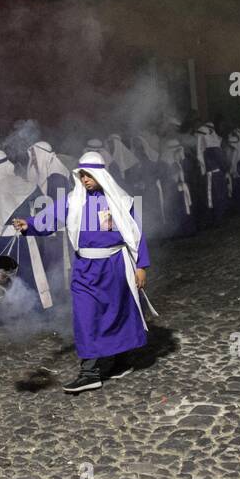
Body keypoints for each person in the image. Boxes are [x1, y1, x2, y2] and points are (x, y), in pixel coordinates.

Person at [15, 150, 152, 392]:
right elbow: (50, 218)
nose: (85, 179)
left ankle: (120, 362)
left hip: (115, 266)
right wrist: (30, 224)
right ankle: (89, 372)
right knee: (86, 316)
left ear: (101, 175)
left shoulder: (122, 201)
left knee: (116, 313)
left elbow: (137, 233)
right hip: (85, 268)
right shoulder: (73, 200)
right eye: (82, 175)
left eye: (89, 175)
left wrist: (141, 266)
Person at [0, 150, 52, 325]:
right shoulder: (20, 184)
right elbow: (40, 201)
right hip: (19, 236)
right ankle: (31, 311)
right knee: (25, 272)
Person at [26, 141, 73, 304]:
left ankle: (61, 298)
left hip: (56, 229)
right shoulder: (43, 171)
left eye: (34, 154)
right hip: (44, 225)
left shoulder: (56, 175)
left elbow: (59, 206)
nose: (31, 158)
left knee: (57, 262)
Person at [194, 123, 229, 227]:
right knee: (213, 198)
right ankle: (215, 219)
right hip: (212, 176)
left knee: (216, 197)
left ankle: (217, 219)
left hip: (214, 176)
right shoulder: (209, 148)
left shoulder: (212, 147)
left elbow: (221, 161)